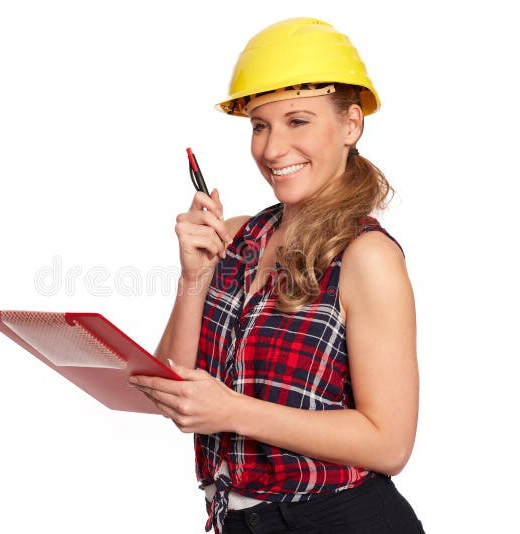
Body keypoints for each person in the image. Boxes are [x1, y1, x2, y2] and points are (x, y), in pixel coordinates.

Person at [128, 17, 424, 533]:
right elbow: (170, 387)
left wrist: (233, 411)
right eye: (260, 126)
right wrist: (194, 277)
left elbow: (390, 443)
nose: (271, 149)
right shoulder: (237, 237)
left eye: (298, 121)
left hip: (341, 521)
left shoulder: (366, 257)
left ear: (351, 125)